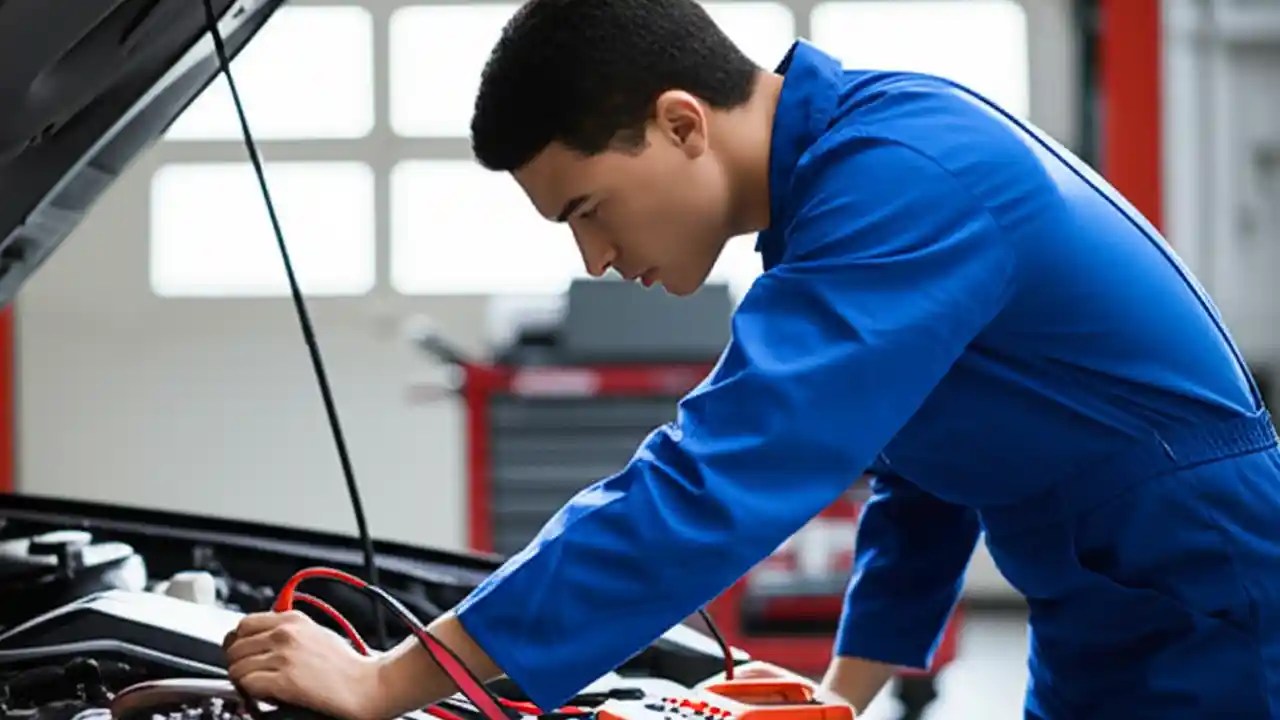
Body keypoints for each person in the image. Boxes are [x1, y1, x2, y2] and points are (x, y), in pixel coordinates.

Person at [222, 0, 1280, 717]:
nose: (594, 257)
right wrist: (838, 696)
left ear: (680, 122)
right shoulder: (843, 183)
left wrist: (393, 681)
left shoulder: (900, 179)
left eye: (587, 209)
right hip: (1121, 607)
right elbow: (924, 474)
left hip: (1211, 604)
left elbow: (715, 475)